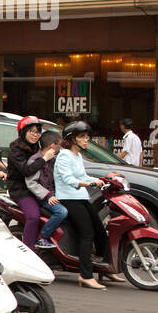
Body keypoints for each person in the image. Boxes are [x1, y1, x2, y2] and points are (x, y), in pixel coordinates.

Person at [55, 120, 109, 290]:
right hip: (68, 199)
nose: (86, 140)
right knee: (87, 234)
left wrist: (100, 180)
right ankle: (85, 275)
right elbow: (68, 179)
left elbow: (84, 176)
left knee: (101, 231)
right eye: (82, 137)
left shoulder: (77, 155)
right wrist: (86, 184)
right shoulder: (64, 155)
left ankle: (105, 267)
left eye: (87, 137)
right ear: (72, 139)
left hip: (81, 198)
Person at [6, 115, 47, 247]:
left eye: (38, 132)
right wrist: (44, 159)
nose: (35, 135)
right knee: (33, 216)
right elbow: (26, 170)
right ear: (23, 132)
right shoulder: (15, 150)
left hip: (37, 188)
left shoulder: (37, 147)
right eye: (32, 131)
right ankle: (30, 250)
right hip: (21, 190)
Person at [25, 130, 69, 249]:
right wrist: (48, 195)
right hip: (41, 197)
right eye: (59, 145)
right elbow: (32, 183)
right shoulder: (35, 160)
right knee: (62, 212)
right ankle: (42, 237)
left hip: (54, 194)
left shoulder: (54, 159)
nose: (60, 148)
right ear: (52, 146)